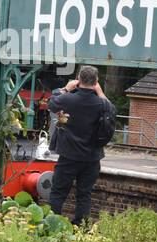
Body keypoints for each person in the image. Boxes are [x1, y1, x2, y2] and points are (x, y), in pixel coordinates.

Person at [46, 65, 116, 226]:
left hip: (68, 156)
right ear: (96, 81)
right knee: (84, 194)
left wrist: (65, 88)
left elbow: (51, 104)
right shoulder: (101, 104)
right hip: (92, 157)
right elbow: (112, 110)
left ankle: (52, 226)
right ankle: (80, 227)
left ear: (78, 79)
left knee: (58, 193)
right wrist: (99, 92)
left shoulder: (68, 98)